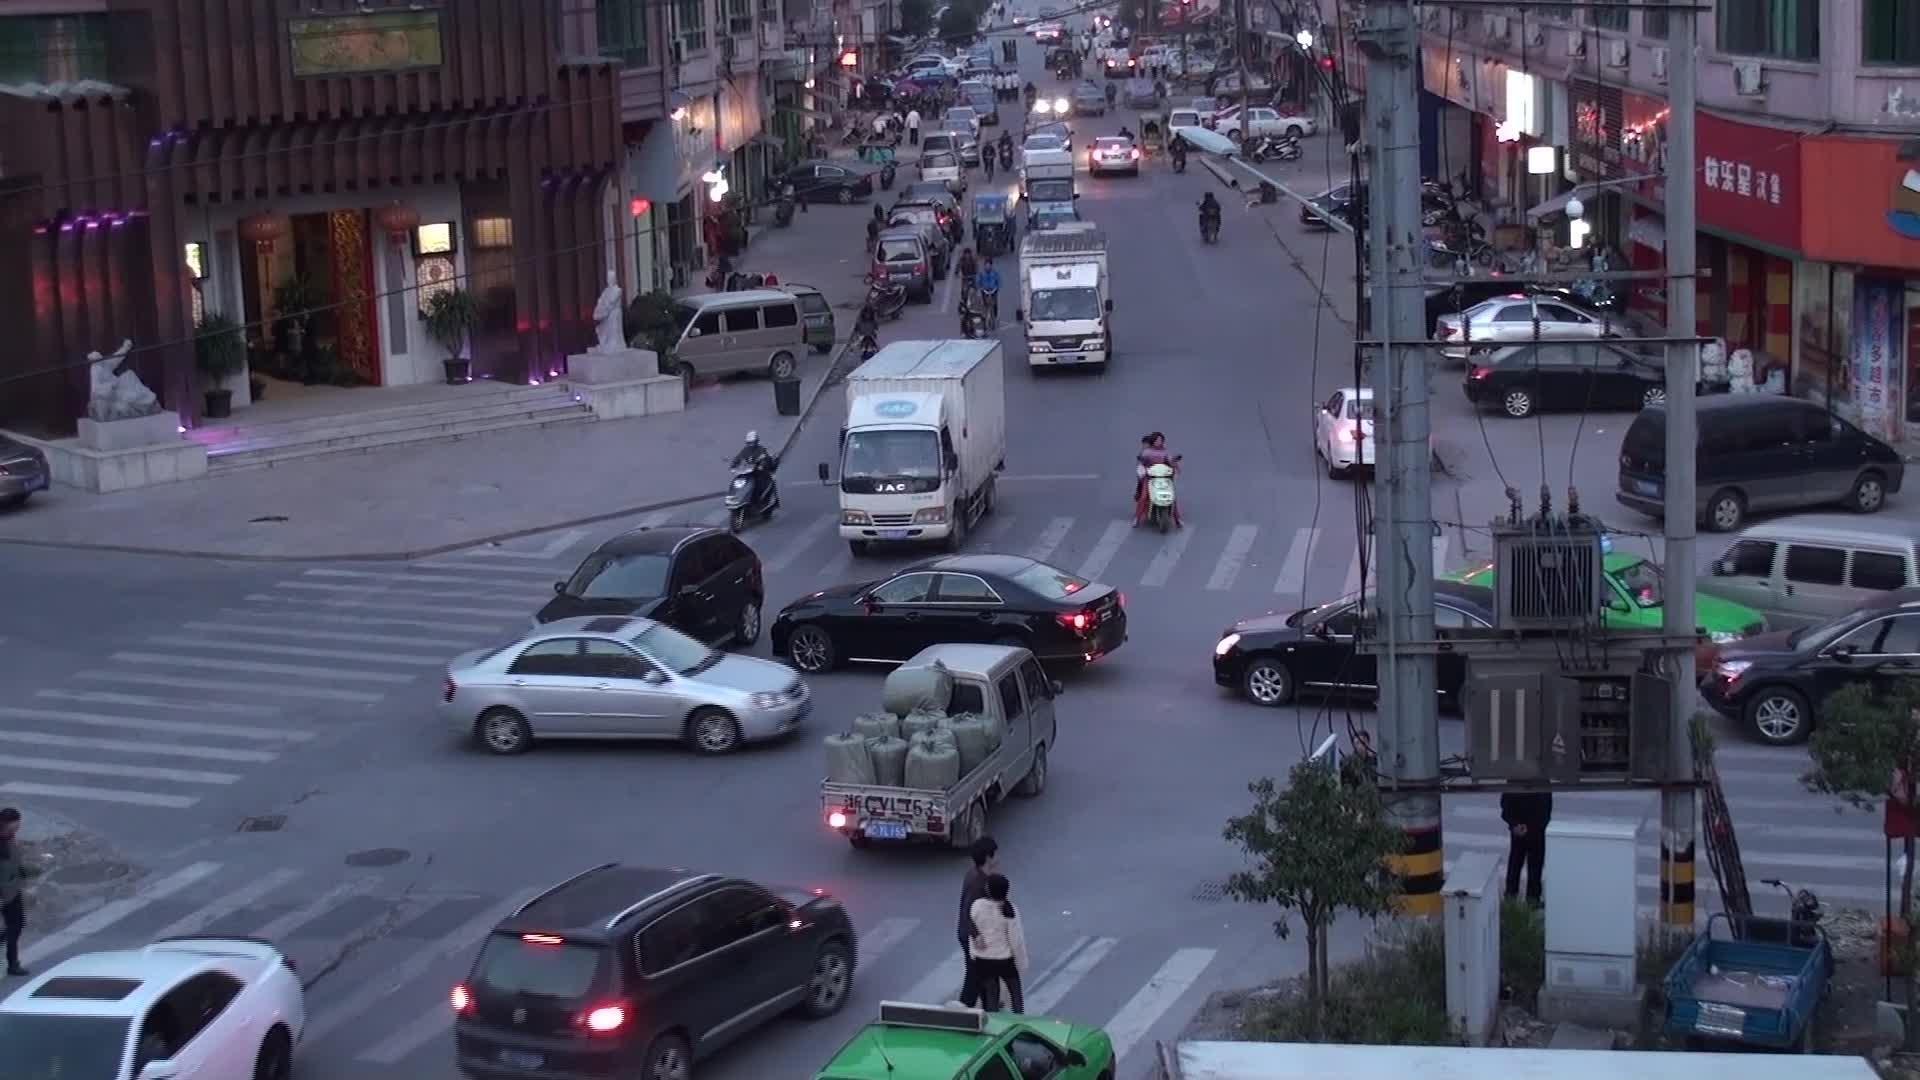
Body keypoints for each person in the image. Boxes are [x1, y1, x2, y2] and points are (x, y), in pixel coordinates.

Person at [968, 874, 1029, 1012]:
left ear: (988, 890)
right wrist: (1021, 963)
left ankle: (993, 1021)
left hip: (983, 960)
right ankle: (1019, 1018)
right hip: (1004, 960)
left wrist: (974, 953)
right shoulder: (1010, 910)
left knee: (992, 995)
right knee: (1015, 994)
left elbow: (972, 929)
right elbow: (1016, 940)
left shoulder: (977, 905)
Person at [955, 836, 1000, 1007]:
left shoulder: (976, 874)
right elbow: (968, 913)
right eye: (995, 854)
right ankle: (963, 1011)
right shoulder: (978, 883)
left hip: (971, 935)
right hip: (972, 937)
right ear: (988, 857)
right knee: (974, 977)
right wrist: (977, 936)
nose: (998, 858)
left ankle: (989, 1005)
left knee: (981, 974)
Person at [1, 807, 38, 977]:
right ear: (8, 823)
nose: (19, 826)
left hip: (12, 890)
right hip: (5, 893)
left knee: (16, 925)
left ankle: (13, 962)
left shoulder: (9, 838)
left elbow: (14, 863)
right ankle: (12, 964)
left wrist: (24, 872)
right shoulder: (3, 841)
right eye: (16, 823)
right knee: (14, 926)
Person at [1501, 790, 1552, 906]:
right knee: (1518, 863)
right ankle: (1516, 898)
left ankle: (1527, 899)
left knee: (1528, 864)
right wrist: (1514, 824)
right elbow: (1506, 802)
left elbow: (1547, 802)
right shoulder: (1519, 782)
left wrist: (1514, 823)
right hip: (1525, 827)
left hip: (1535, 827)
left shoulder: (1541, 783)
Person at [1134, 433, 1183, 527]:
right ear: (1153, 441)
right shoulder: (1147, 452)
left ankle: (1178, 520)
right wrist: (1142, 467)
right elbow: (1142, 463)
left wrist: (1174, 464)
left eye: (1160, 440)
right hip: (1150, 478)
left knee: (1172, 497)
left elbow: (1170, 461)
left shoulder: (1165, 452)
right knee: (1143, 497)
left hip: (1163, 477)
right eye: (1157, 440)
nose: (1159, 442)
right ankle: (1137, 518)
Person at [977, 258, 1001, 325]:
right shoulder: (981, 273)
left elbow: (999, 281)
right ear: (984, 266)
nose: (987, 267)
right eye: (986, 265)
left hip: (993, 290)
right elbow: (978, 282)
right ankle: (984, 316)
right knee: (984, 304)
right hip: (984, 291)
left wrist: (997, 287)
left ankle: (995, 316)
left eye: (989, 265)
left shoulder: (995, 273)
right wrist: (980, 288)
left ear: (991, 266)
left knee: (995, 304)